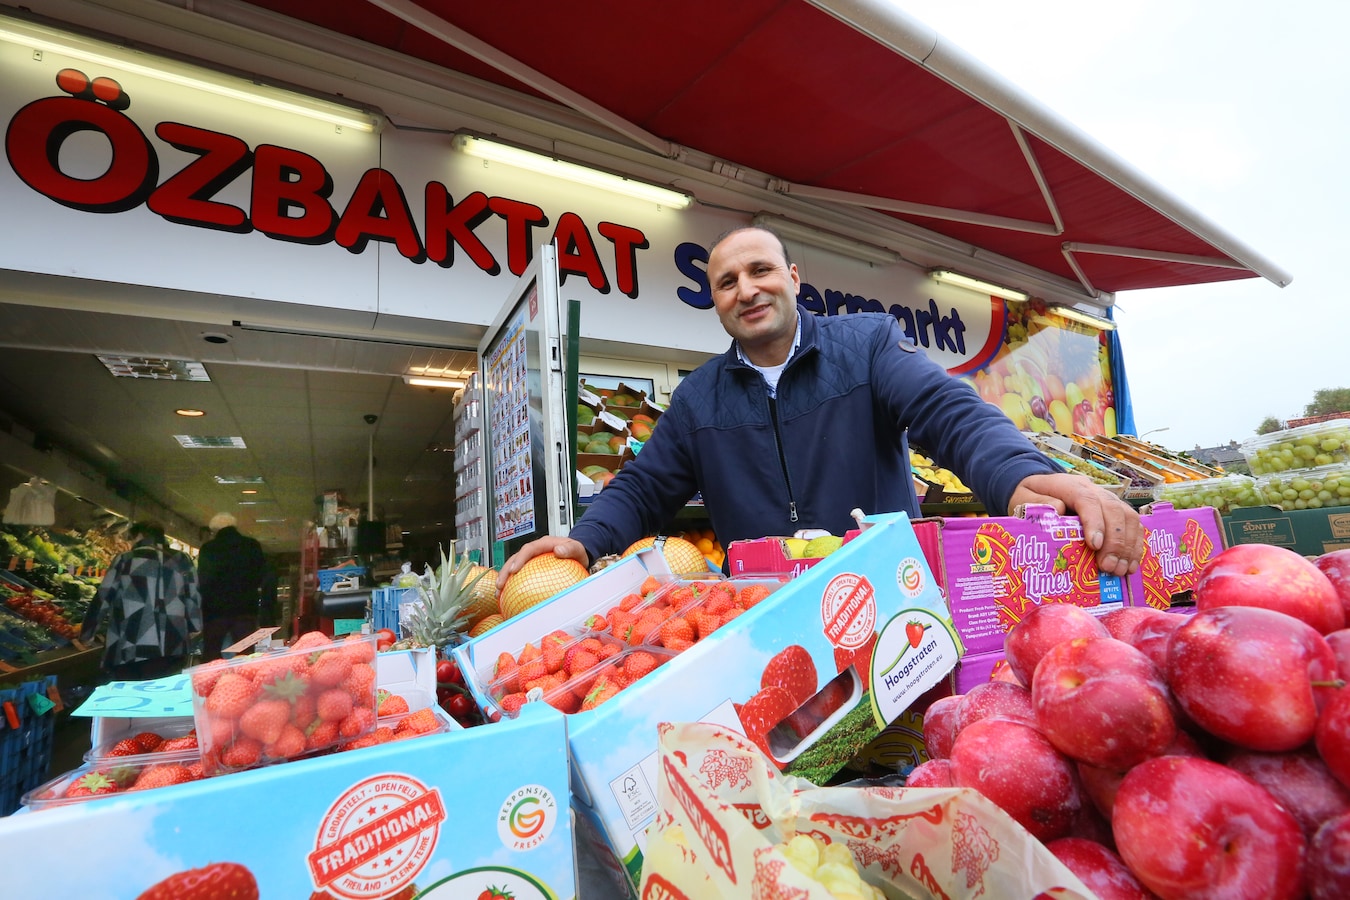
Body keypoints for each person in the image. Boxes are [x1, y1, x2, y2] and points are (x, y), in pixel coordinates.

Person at [501, 225, 1143, 586]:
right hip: (767, 609)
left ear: (794, 278)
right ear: (715, 301)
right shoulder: (700, 398)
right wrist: (583, 543)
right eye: (727, 282)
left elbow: (946, 410)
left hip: (893, 595)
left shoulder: (865, 345)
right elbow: (641, 489)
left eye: (761, 271)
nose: (747, 290)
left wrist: (1019, 475)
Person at [80, 521, 201, 682]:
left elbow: (103, 597)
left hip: (130, 644)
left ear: (139, 536)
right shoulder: (181, 560)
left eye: (131, 538)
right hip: (173, 643)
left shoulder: (125, 559)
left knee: (132, 694)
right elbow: (193, 596)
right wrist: (195, 626)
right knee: (165, 692)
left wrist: (87, 633)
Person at [197, 512, 271, 660]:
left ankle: (213, 681)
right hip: (245, 608)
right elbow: (261, 575)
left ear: (215, 531)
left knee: (212, 652)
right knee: (245, 654)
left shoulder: (208, 548)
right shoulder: (252, 545)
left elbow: (203, 580)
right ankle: (244, 681)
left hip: (215, 611)